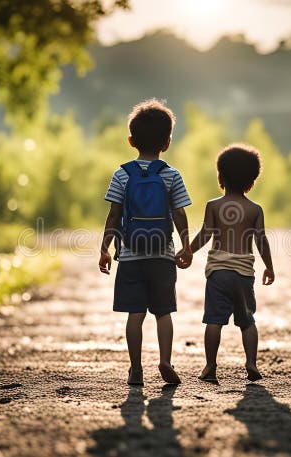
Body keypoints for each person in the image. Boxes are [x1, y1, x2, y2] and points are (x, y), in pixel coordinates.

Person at [99, 99, 192, 386]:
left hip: (129, 256)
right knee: (164, 313)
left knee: (135, 314)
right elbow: (179, 213)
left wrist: (104, 249)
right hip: (162, 255)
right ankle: (165, 360)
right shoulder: (171, 174)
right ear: (167, 142)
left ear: (131, 141)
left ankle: (136, 368)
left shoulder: (122, 175)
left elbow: (114, 215)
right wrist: (186, 245)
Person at [176, 143, 275, 383]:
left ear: (220, 177)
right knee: (248, 320)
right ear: (251, 182)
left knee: (213, 320)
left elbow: (205, 235)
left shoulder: (214, 206)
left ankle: (210, 366)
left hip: (218, 274)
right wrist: (269, 267)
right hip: (243, 274)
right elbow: (261, 241)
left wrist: (187, 250)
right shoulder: (255, 209)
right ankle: (251, 363)